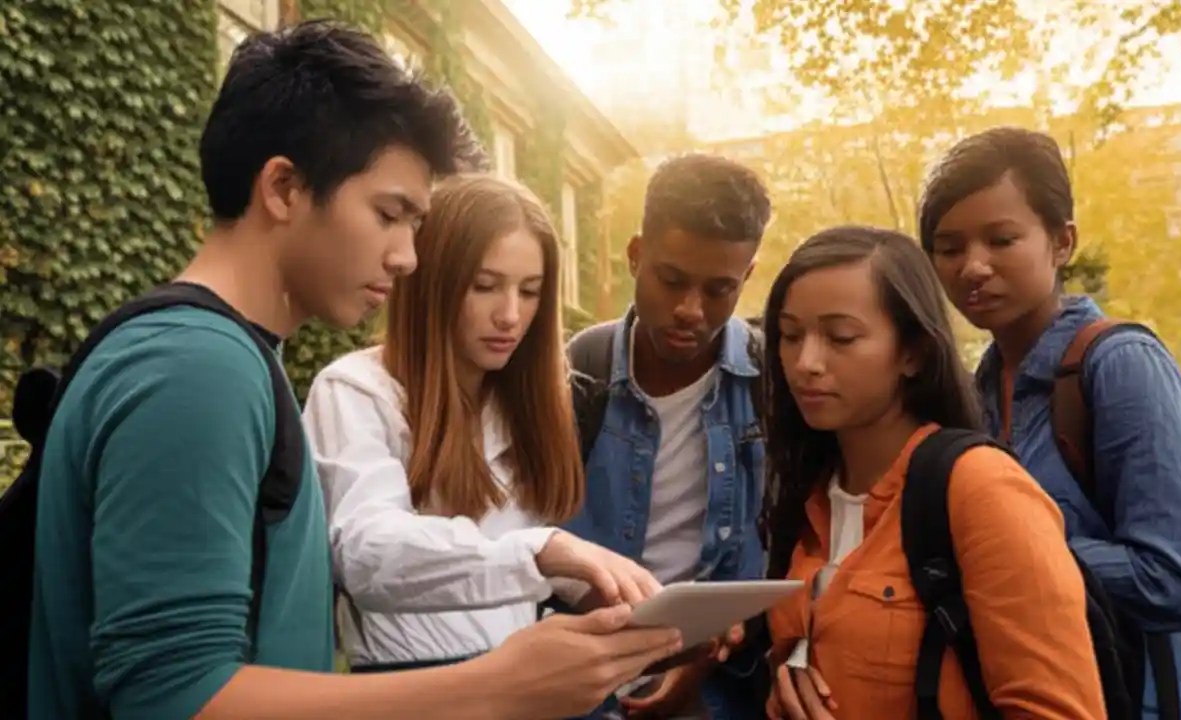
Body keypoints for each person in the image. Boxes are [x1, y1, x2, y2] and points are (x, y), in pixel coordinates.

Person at [26, 21, 680, 720]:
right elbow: (173, 695)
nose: (408, 257)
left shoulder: (224, 362)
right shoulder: (195, 372)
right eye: (389, 214)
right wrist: (492, 688)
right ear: (283, 188)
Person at [301, 173, 663, 673]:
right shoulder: (357, 390)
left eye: (531, 291)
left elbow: (527, 566)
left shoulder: (528, 400)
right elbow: (368, 553)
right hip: (409, 692)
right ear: (430, 283)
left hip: (526, 687)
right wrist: (543, 551)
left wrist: (639, 608)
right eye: (485, 286)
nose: (511, 315)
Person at [920, 127, 1181, 719]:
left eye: (1001, 239)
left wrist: (1006, 553)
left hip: (1138, 699)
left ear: (1062, 243)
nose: (973, 267)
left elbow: (1177, 580)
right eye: (949, 247)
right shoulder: (978, 388)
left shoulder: (1121, 367)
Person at [762, 226, 1107, 719]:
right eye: (790, 336)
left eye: (841, 337)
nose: (805, 363)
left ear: (913, 352)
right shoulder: (807, 495)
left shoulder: (980, 488)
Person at [562, 153, 772, 718]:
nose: (690, 310)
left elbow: (775, 547)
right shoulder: (575, 371)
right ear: (636, 256)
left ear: (747, 278)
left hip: (712, 684)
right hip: (577, 676)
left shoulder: (771, 383)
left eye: (719, 290)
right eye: (672, 280)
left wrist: (697, 664)